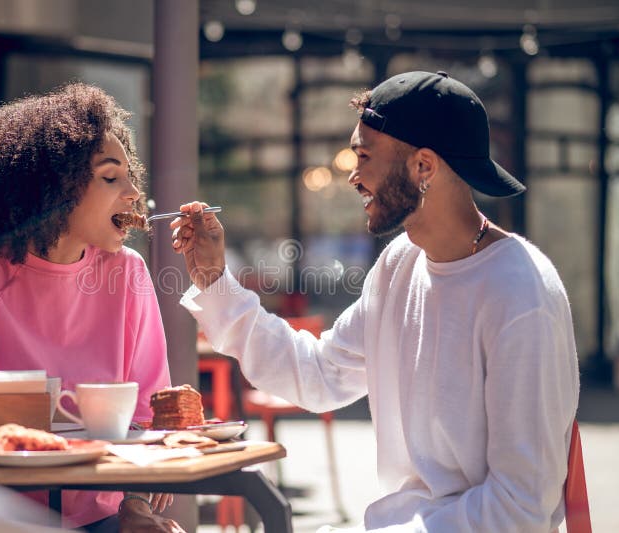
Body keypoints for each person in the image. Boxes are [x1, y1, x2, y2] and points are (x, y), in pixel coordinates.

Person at [171, 71, 579, 532]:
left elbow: (520, 509)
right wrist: (215, 281)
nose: (353, 175)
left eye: (364, 156)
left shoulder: (521, 294)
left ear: (423, 166)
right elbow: (319, 375)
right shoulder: (399, 265)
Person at [0, 83, 184, 533]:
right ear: (54, 189)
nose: (133, 194)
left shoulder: (129, 272)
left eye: (130, 177)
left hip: (102, 513)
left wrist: (136, 509)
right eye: (109, 177)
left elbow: (146, 415)